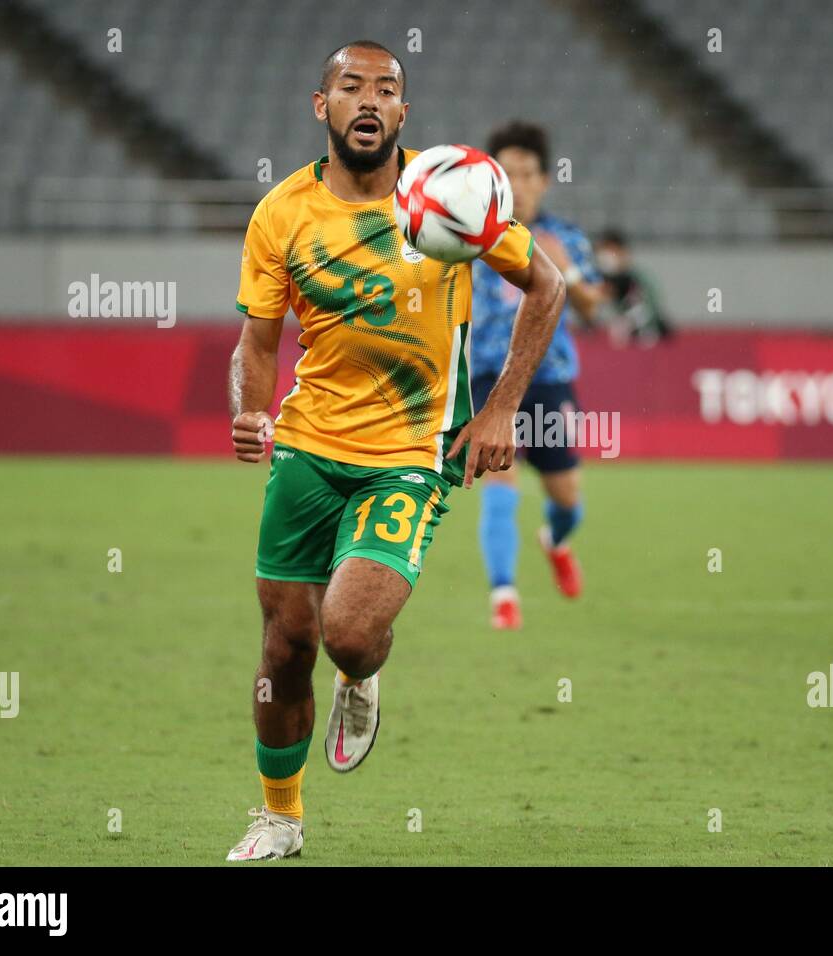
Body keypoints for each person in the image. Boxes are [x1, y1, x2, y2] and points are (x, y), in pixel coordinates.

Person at [225, 42, 564, 860]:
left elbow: (546, 285)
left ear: (403, 114)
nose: (368, 100)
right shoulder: (282, 213)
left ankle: (362, 671)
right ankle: (279, 817)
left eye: (386, 88)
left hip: (413, 450)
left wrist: (500, 409)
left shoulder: (449, 190)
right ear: (323, 106)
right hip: (307, 447)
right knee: (284, 643)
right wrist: (248, 408)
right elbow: (257, 343)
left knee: (345, 632)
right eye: (352, 87)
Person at [470, 121, 606, 630]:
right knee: (499, 481)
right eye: (506, 173)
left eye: (527, 173)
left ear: (544, 180)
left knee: (567, 499)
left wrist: (568, 272)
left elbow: (593, 311)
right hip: (488, 377)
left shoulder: (565, 238)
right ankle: (503, 595)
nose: (517, 183)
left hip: (548, 379)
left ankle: (556, 539)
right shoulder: (468, 237)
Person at [595, 228, 674, 347]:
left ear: (622, 252)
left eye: (610, 250)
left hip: (646, 336)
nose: (605, 256)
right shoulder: (602, 279)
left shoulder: (637, 279)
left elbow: (652, 309)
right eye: (603, 250)